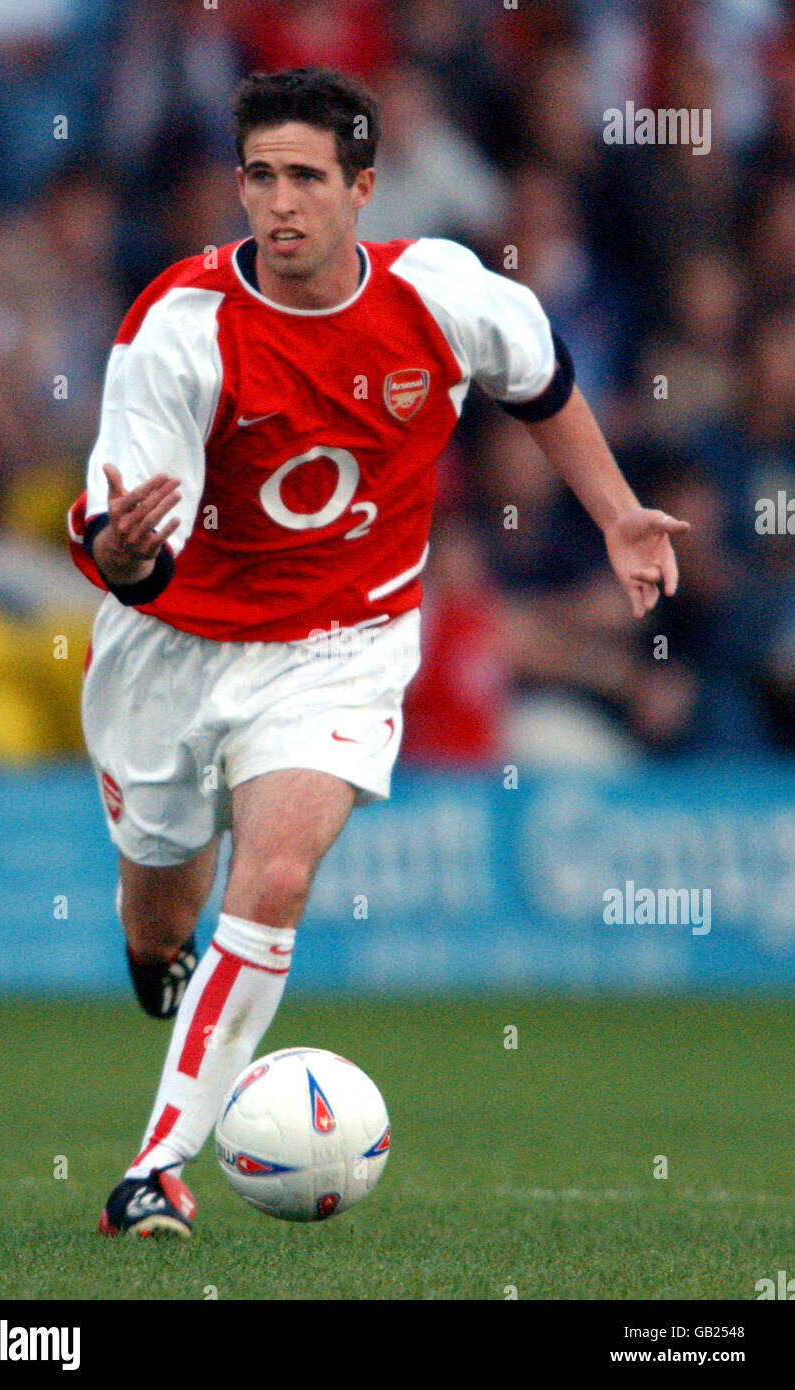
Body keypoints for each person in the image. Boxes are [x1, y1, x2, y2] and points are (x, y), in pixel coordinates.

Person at [67, 67, 689, 1236]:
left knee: (281, 873)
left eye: (306, 177)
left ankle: (154, 1165)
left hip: (341, 644)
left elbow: (540, 375)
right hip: (177, 645)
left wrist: (613, 511)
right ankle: (161, 957)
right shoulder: (178, 332)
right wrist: (130, 550)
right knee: (159, 908)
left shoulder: (440, 292)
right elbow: (120, 545)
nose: (279, 203)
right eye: (260, 177)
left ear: (363, 187)